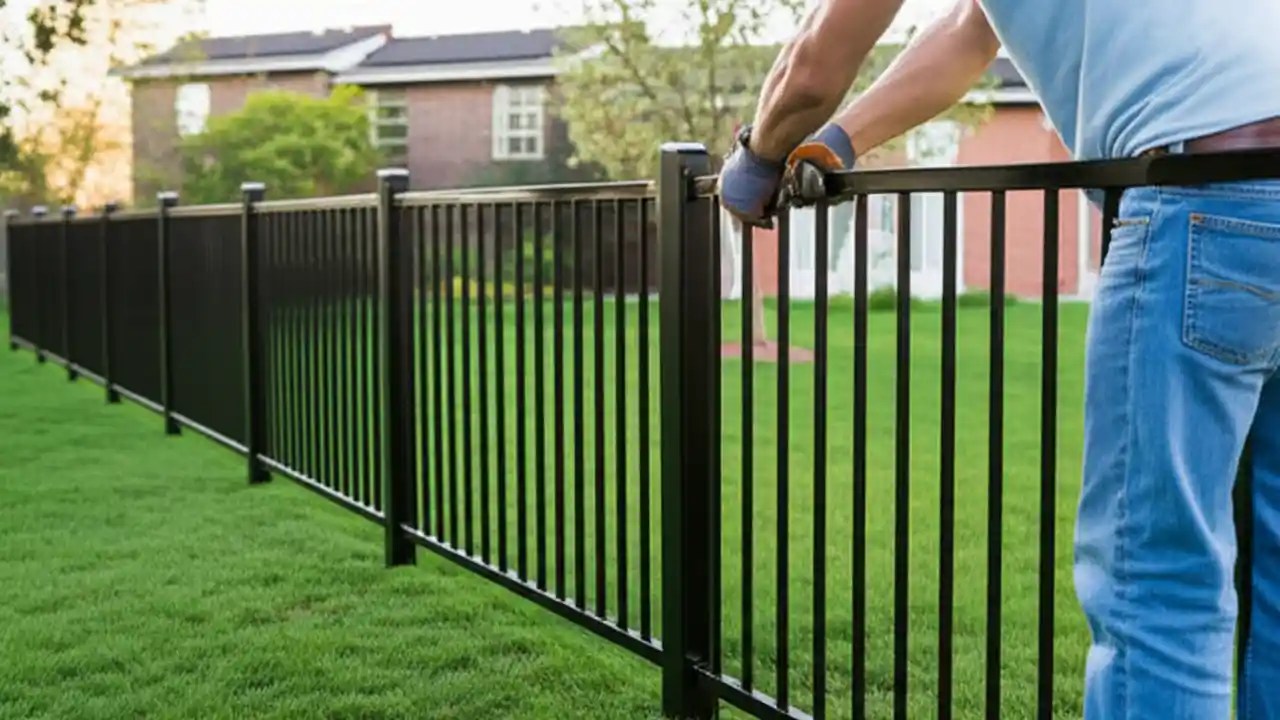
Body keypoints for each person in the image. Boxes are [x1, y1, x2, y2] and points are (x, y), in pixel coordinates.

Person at [719, 0, 1280, 717]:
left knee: (1158, 579)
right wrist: (838, 141)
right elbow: (966, 30)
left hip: (1203, 193)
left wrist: (757, 157)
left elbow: (812, 63)